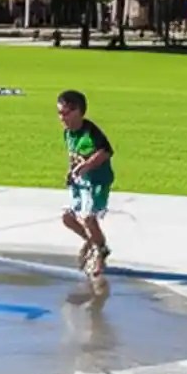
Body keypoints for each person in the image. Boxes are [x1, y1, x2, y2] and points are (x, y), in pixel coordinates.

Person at [58, 90, 115, 276]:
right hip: (79, 182)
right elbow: (73, 155)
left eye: (65, 113)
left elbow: (105, 151)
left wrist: (87, 165)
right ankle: (93, 242)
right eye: (59, 113)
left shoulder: (91, 132)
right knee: (68, 217)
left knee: (89, 218)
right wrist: (71, 171)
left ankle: (99, 251)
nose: (61, 118)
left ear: (78, 112)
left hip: (97, 182)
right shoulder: (68, 133)